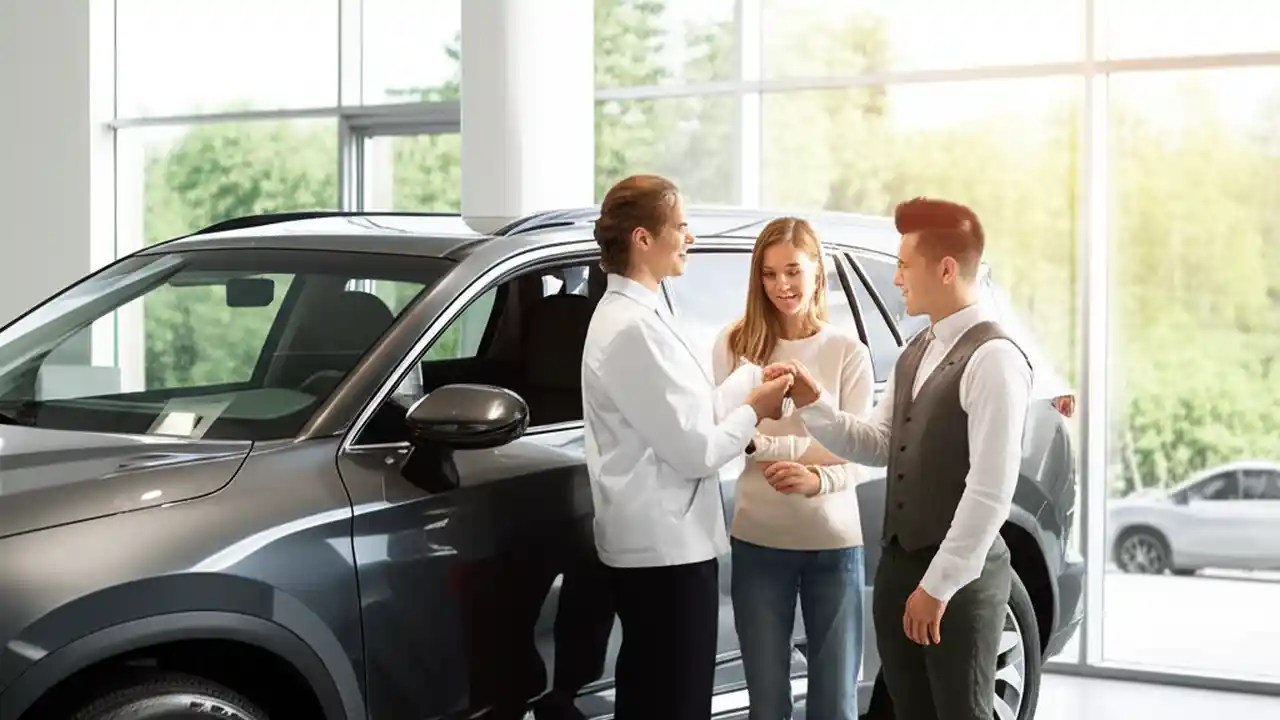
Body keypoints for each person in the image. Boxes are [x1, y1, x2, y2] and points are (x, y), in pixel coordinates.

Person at [773, 197, 1033, 720]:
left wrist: (937, 587)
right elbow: (875, 443)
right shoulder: (918, 348)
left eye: (903, 265)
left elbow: (989, 491)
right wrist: (812, 403)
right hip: (899, 566)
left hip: (959, 581)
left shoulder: (996, 360)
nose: (896, 279)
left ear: (946, 269)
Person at [580, 174, 794, 720]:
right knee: (674, 703)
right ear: (642, 239)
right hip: (665, 554)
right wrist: (757, 409)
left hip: (668, 545)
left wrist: (749, 382)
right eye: (681, 226)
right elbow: (696, 450)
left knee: (657, 695)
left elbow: (687, 414)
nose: (690, 237)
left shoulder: (644, 313)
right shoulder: (630, 328)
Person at [710, 217, 873, 720]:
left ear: (817, 272)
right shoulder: (735, 346)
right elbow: (727, 440)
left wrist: (818, 476)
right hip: (758, 542)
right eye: (769, 274)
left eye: (793, 271)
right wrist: (806, 451)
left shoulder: (848, 352)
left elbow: (860, 452)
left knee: (835, 706)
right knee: (766, 704)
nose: (782, 286)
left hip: (834, 546)